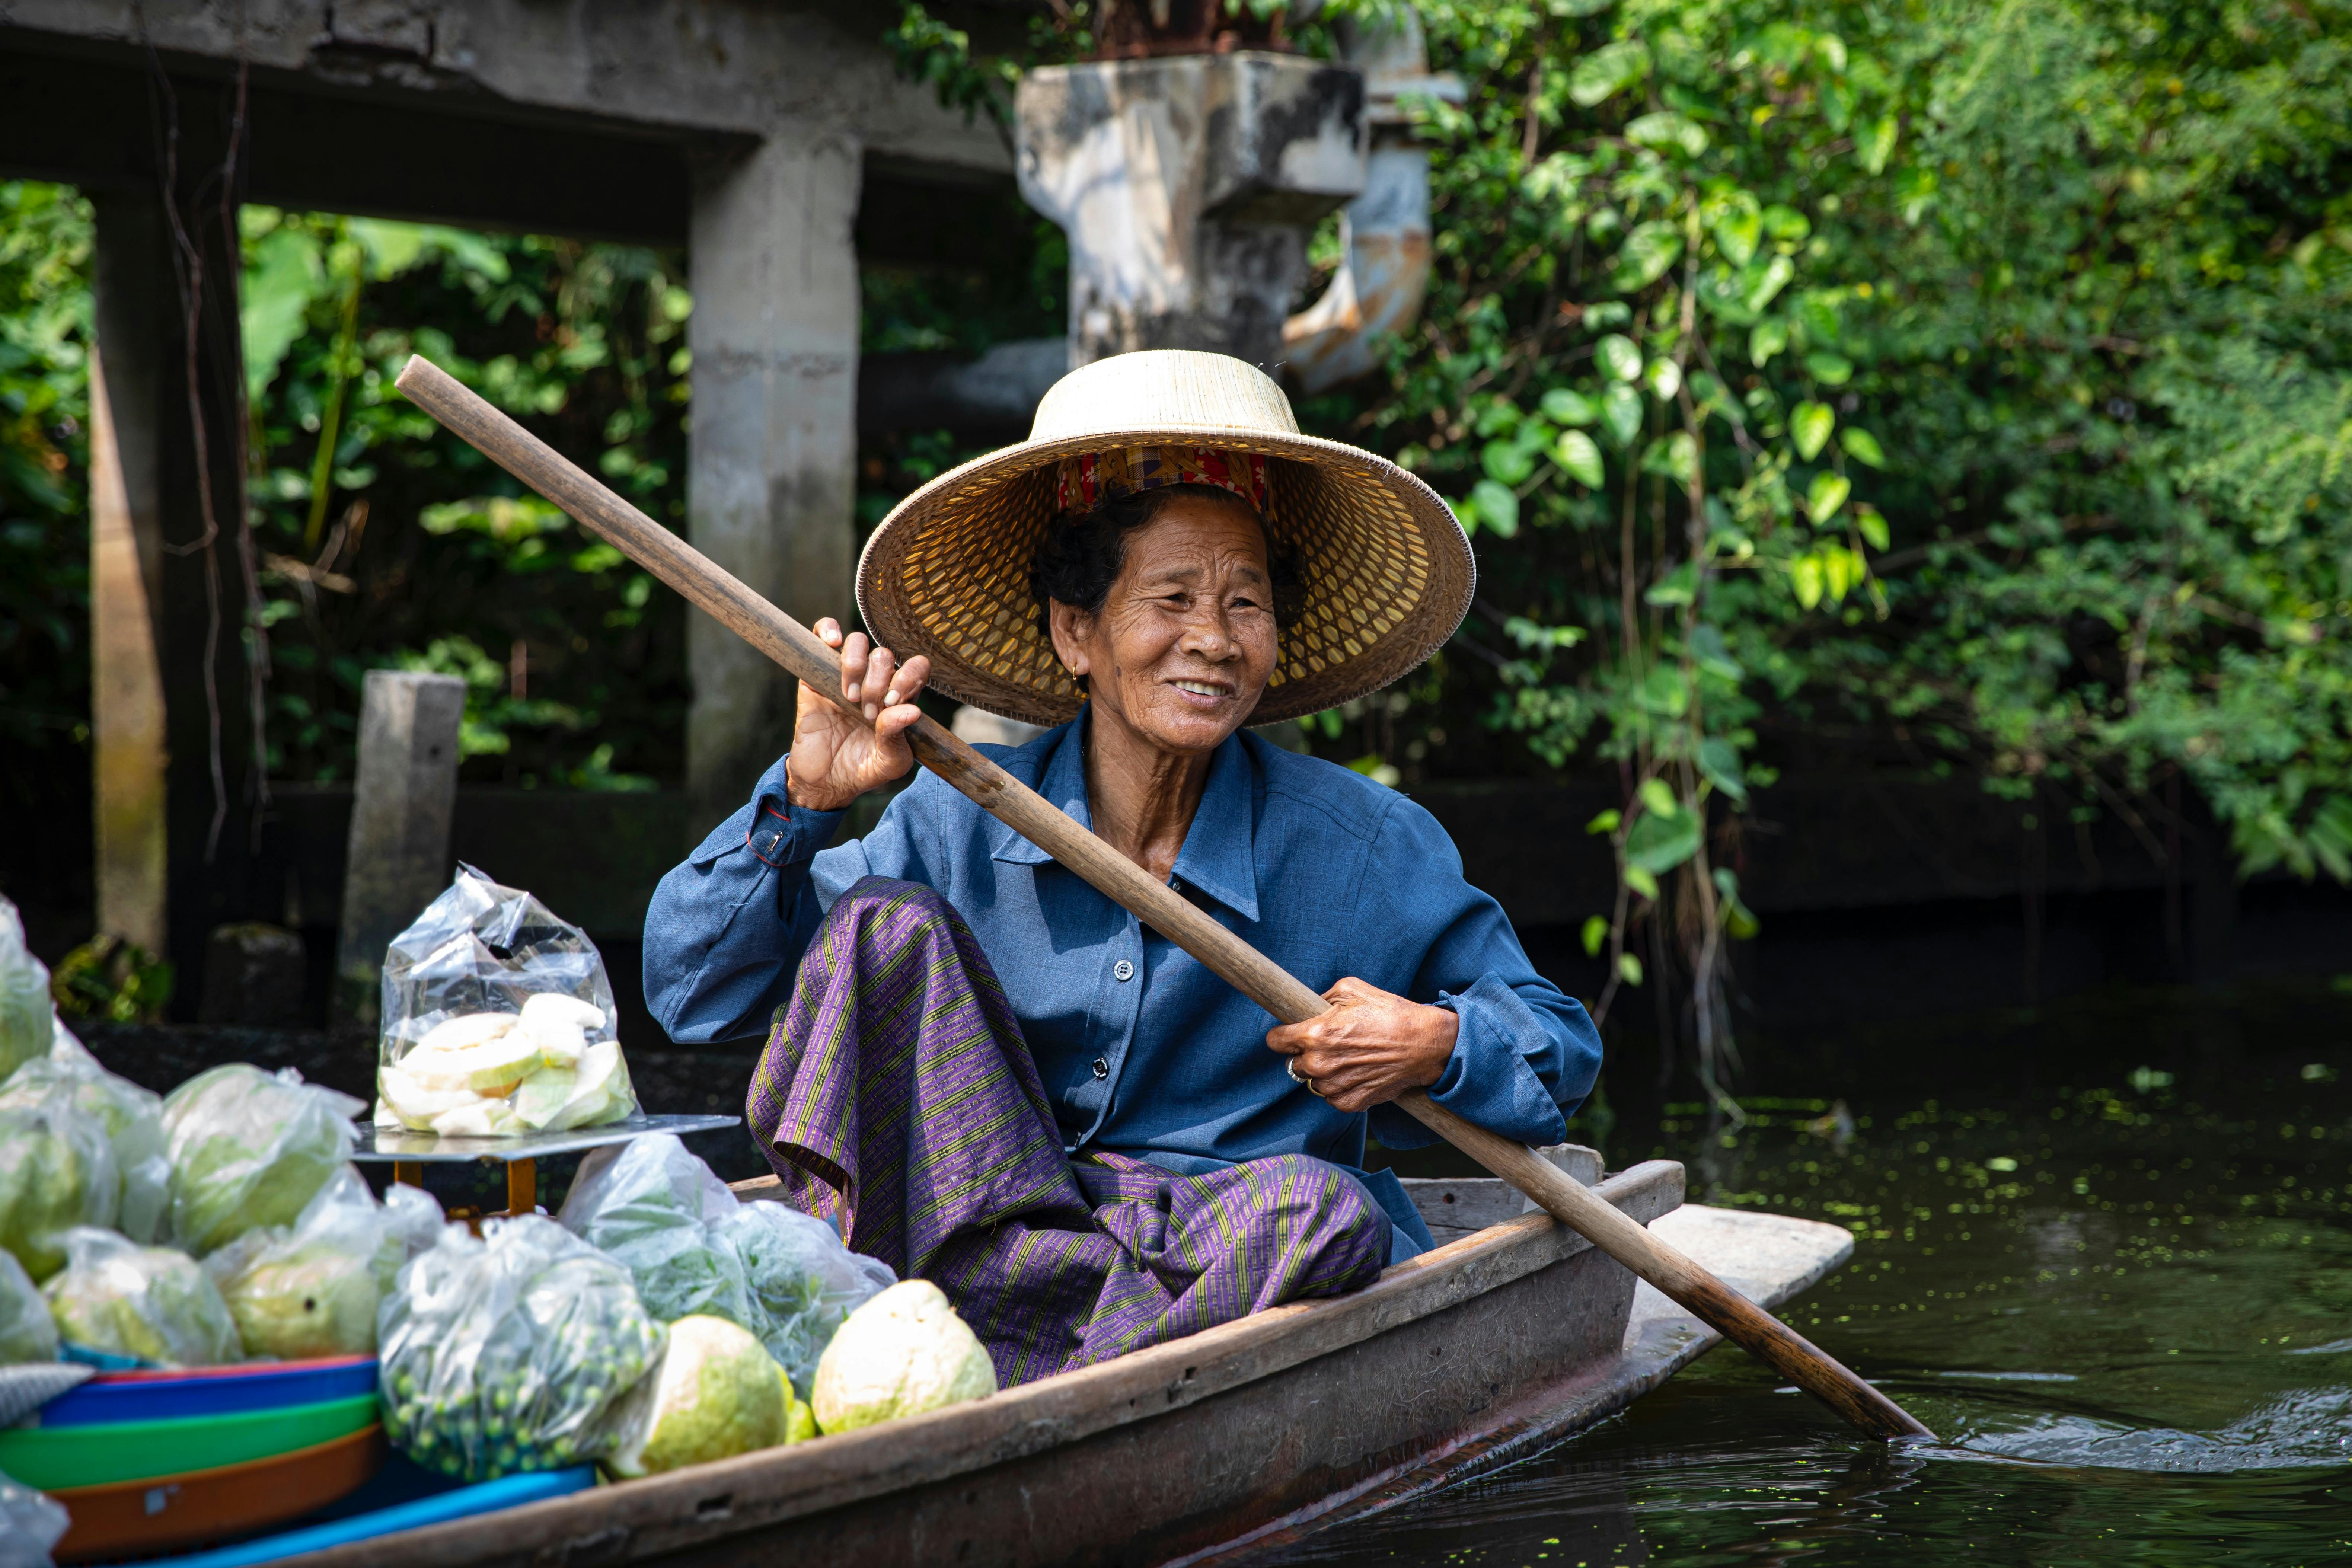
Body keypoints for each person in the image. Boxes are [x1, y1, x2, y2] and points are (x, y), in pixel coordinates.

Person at [645, 349, 1601, 1386]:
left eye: (1246, 604)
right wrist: (803, 800)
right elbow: (694, 993)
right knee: (880, 929)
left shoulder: (1366, 845)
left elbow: (1560, 1048)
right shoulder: (956, 818)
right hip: (984, 1242)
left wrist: (1436, 1044)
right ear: (1076, 630)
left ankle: (1041, 1388)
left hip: (1217, 1261)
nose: (1214, 640)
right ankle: (999, 1349)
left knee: (1323, 1210)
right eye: (1174, 598)